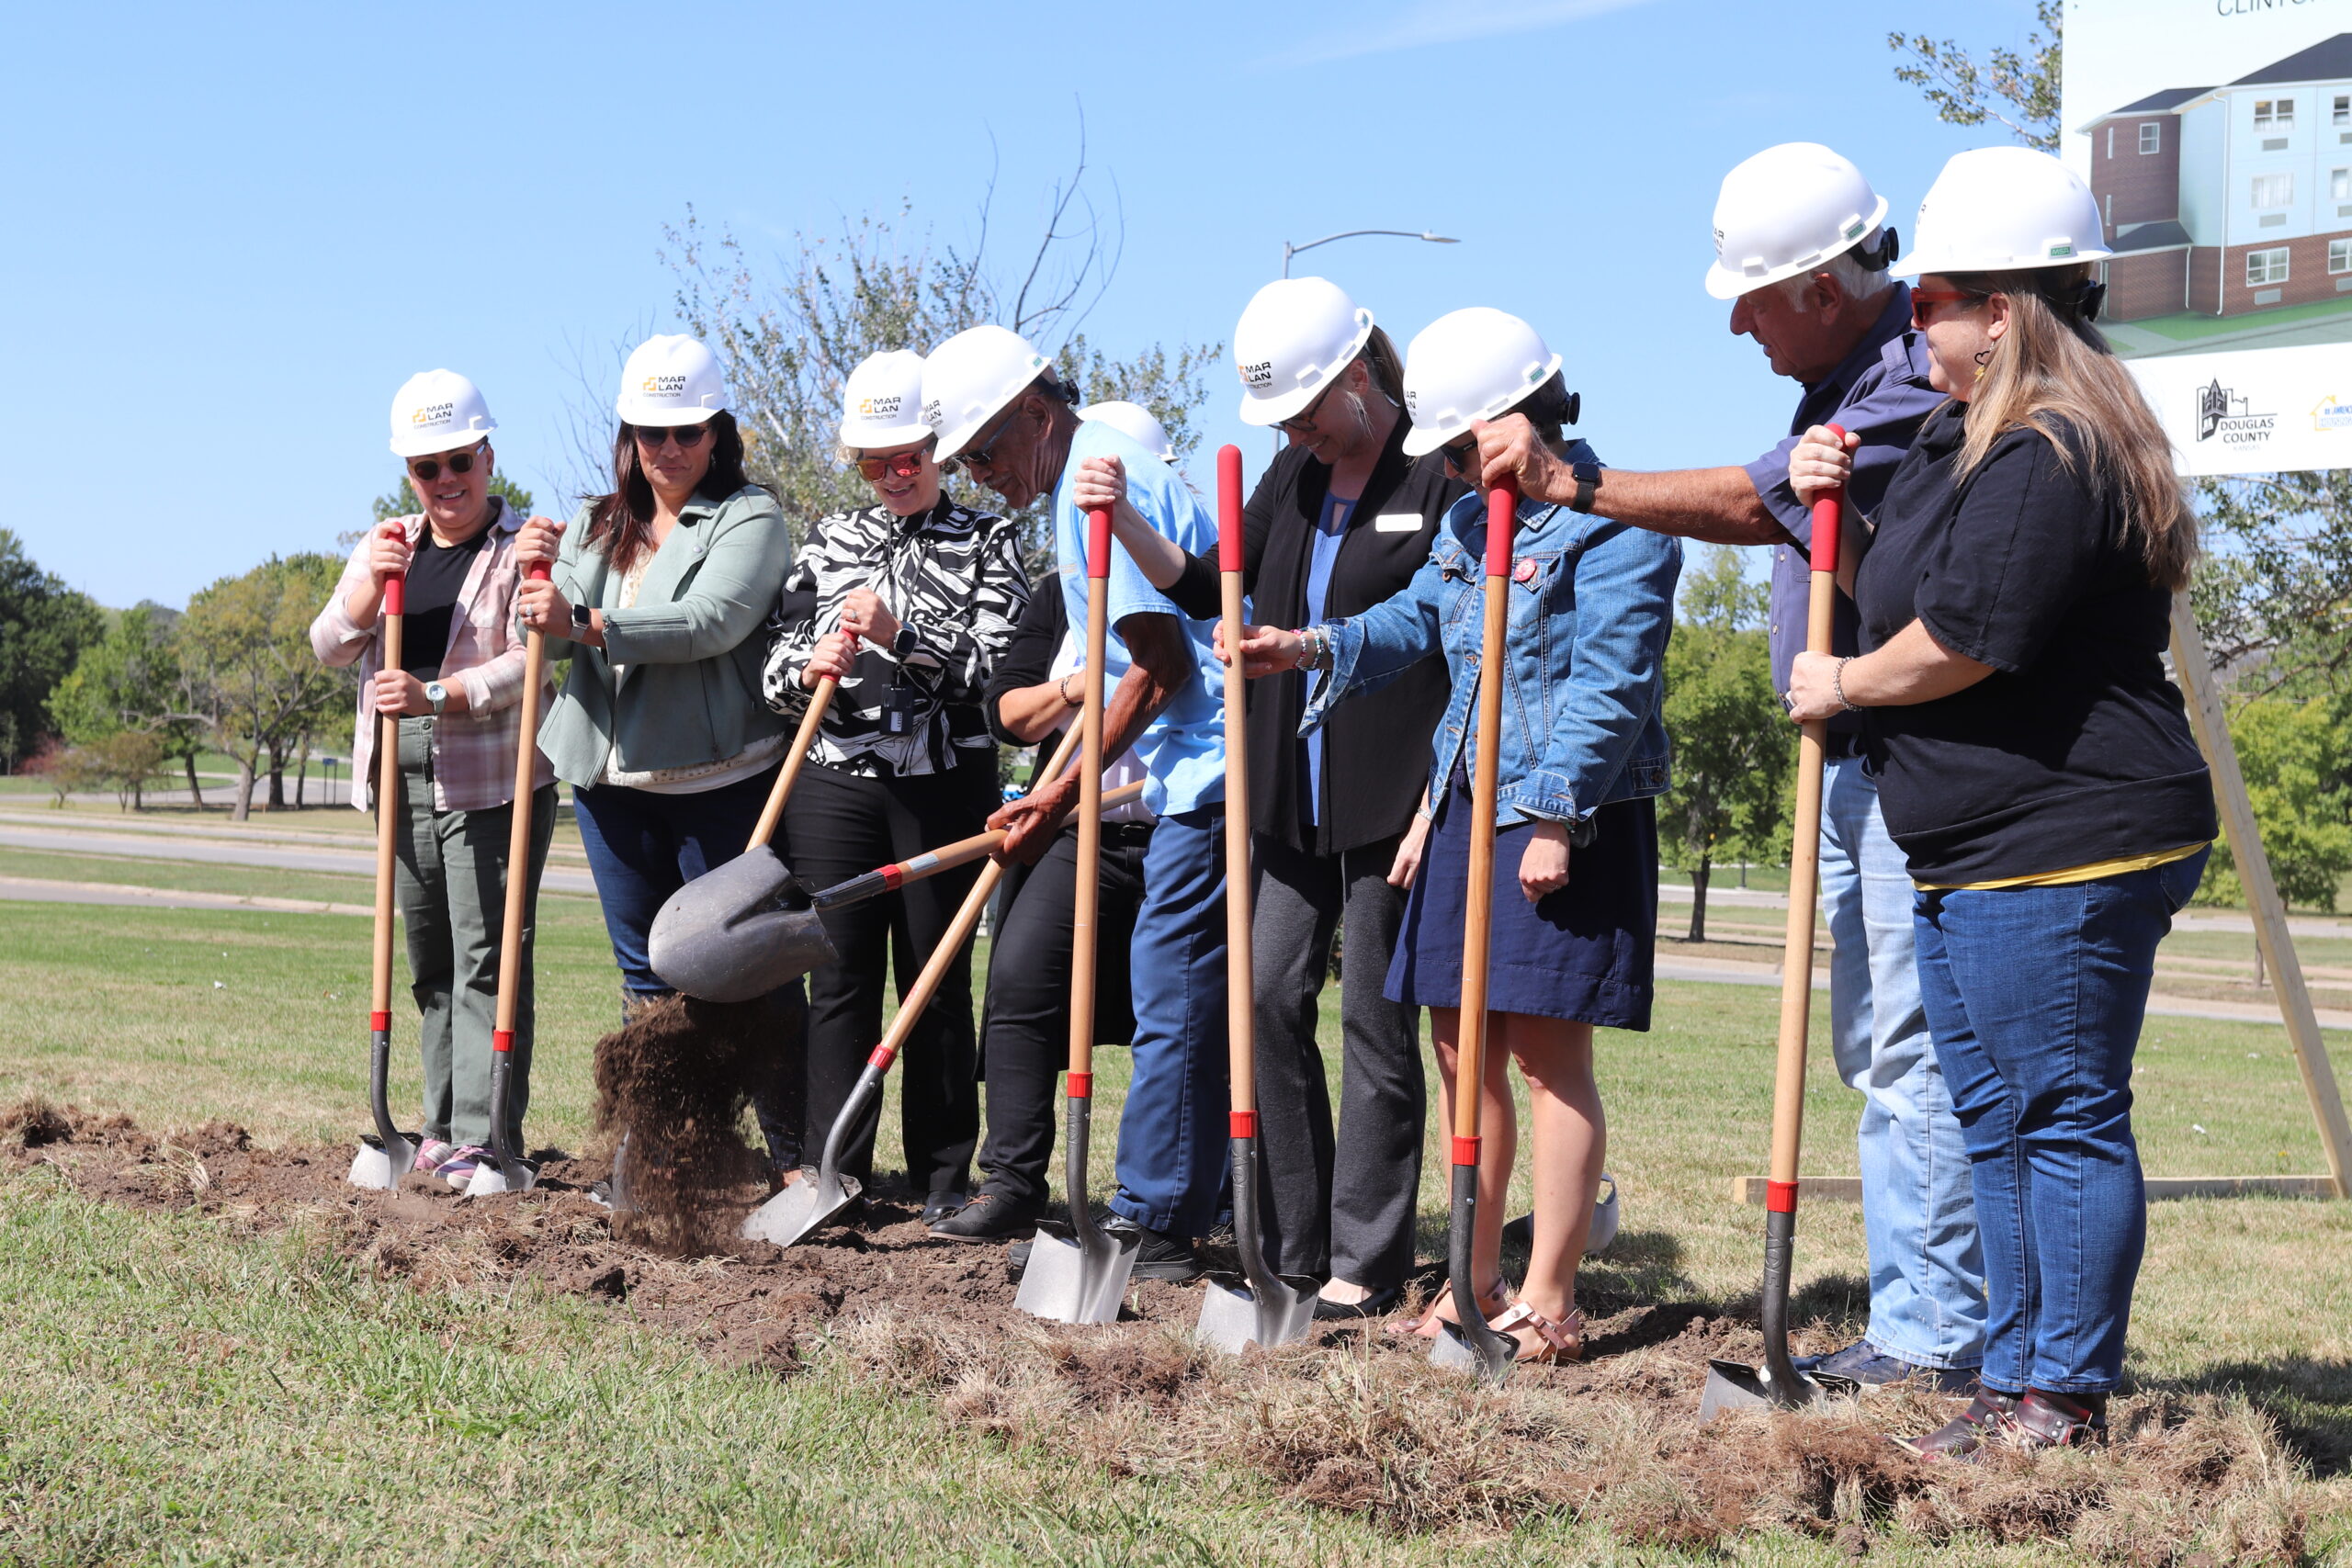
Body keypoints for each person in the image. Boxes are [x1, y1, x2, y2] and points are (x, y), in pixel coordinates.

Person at [1464, 142, 1983, 1393]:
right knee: (1879, 1048)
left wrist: (1572, 481)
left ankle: (1936, 1339)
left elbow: (1761, 507)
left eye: (1750, 297)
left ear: (1816, 284)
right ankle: (1928, 1322)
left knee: (1911, 1053)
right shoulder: (1840, 383)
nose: (1740, 322)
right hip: (1858, 755)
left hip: (1912, 753)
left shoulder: (1907, 381)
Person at [1785, 146, 2215, 1455]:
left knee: (2061, 1111)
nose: (1915, 320)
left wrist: (1842, 678)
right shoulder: (1960, 445)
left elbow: (1969, 634)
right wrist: (1830, 520)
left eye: (1932, 300)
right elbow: (1917, 590)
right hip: (1977, 839)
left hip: (2066, 831)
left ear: (2006, 307)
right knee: (1997, 1116)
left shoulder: (2052, 448)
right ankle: (2012, 1378)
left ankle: (2060, 1398)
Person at [1229, 308, 1679, 1363]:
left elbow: (1611, 688)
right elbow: (1413, 626)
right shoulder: (1471, 523)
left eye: (1458, 445)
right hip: (1463, 810)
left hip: (1561, 816)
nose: (1448, 467)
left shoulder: (1620, 523)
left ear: (1516, 418)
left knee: (1544, 1059)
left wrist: (1556, 818)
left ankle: (1550, 1299)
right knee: (1454, 1050)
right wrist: (1310, 646)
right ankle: (1467, 1284)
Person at [1095, 277, 1464, 1319]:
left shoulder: (1435, 469)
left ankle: (1365, 1258)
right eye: (1282, 420)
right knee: (1263, 997)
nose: (1297, 431)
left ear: (1359, 376)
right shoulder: (1291, 473)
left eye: (1307, 410)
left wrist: (1299, 644)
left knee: (1374, 1025)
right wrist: (1123, 518)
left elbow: (1437, 625)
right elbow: (1210, 578)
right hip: (1287, 792)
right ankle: (1291, 1246)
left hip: (1392, 791)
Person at [927, 323, 1230, 1280]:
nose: (977, 475)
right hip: (1184, 768)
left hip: (1205, 772)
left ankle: (1156, 1224)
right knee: (1152, 994)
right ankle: (1139, 1210)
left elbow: (1160, 664)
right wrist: (1057, 794)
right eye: (963, 462)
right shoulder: (1092, 467)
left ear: (1035, 411)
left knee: (1173, 999)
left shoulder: (1095, 476)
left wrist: (1054, 798)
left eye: (982, 450)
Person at [514, 333, 799, 1167]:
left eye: (686, 431)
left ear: (717, 432)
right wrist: (536, 591)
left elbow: (713, 620)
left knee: (755, 969)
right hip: (612, 782)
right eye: (651, 433)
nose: (668, 449)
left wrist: (589, 623)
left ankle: (797, 1157)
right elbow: (551, 639)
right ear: (628, 437)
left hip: (722, 781)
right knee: (646, 982)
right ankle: (669, 1154)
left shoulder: (751, 516)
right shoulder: (601, 522)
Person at [761, 350, 1026, 1224]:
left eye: (908, 458)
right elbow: (769, 667)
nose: (893, 477)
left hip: (943, 786)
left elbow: (998, 677)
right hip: (835, 786)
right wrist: (809, 664)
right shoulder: (829, 540)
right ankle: (834, 1173)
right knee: (836, 981)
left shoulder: (990, 540)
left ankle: (945, 1184)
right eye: (875, 463)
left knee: (937, 981)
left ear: (938, 449)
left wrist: (902, 633)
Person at [311, 370, 557, 1189]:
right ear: (408, 473)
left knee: (487, 955)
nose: (446, 481)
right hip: (399, 772)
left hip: (491, 772)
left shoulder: (523, 547)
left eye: (459, 461)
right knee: (429, 959)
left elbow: (533, 663)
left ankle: (494, 1142)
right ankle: (438, 1128)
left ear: (488, 455)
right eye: (427, 467)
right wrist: (357, 592)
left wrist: (440, 693)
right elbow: (328, 643)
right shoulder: (389, 545)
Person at [931, 569, 1152, 1241]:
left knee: (1178, 1012)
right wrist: (1071, 688)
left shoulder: (1187, 581)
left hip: (1183, 825)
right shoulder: (1063, 591)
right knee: (1019, 981)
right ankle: (1012, 1183)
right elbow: (1006, 714)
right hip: (1075, 826)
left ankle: (1185, 1195)